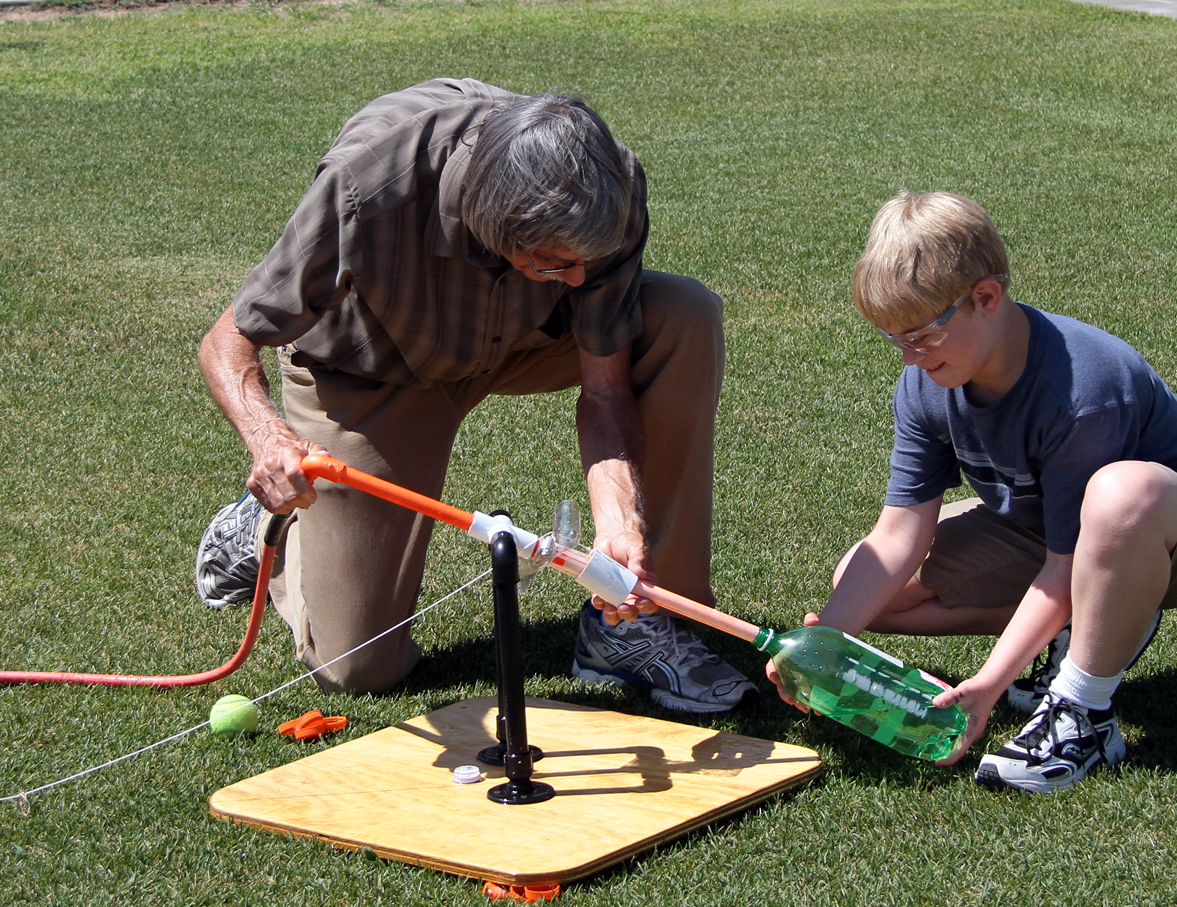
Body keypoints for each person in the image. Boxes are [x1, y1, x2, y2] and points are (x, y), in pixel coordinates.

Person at [194, 77, 756, 711]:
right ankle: (273, 527)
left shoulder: (608, 187)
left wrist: (620, 523)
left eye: (586, 263)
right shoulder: (366, 188)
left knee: (684, 314)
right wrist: (269, 439)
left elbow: (605, 391)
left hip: (519, 341)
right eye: (556, 263)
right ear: (496, 228)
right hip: (369, 370)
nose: (577, 280)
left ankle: (641, 619)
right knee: (355, 665)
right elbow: (227, 340)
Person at [766, 191, 1177, 791]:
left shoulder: (1082, 389)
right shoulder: (927, 384)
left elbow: (1066, 562)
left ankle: (1084, 711)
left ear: (986, 298)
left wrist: (988, 686)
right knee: (863, 588)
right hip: (1043, 524)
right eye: (894, 341)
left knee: (1119, 495)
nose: (910, 359)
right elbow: (897, 535)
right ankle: (1097, 622)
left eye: (921, 337)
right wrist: (826, 642)